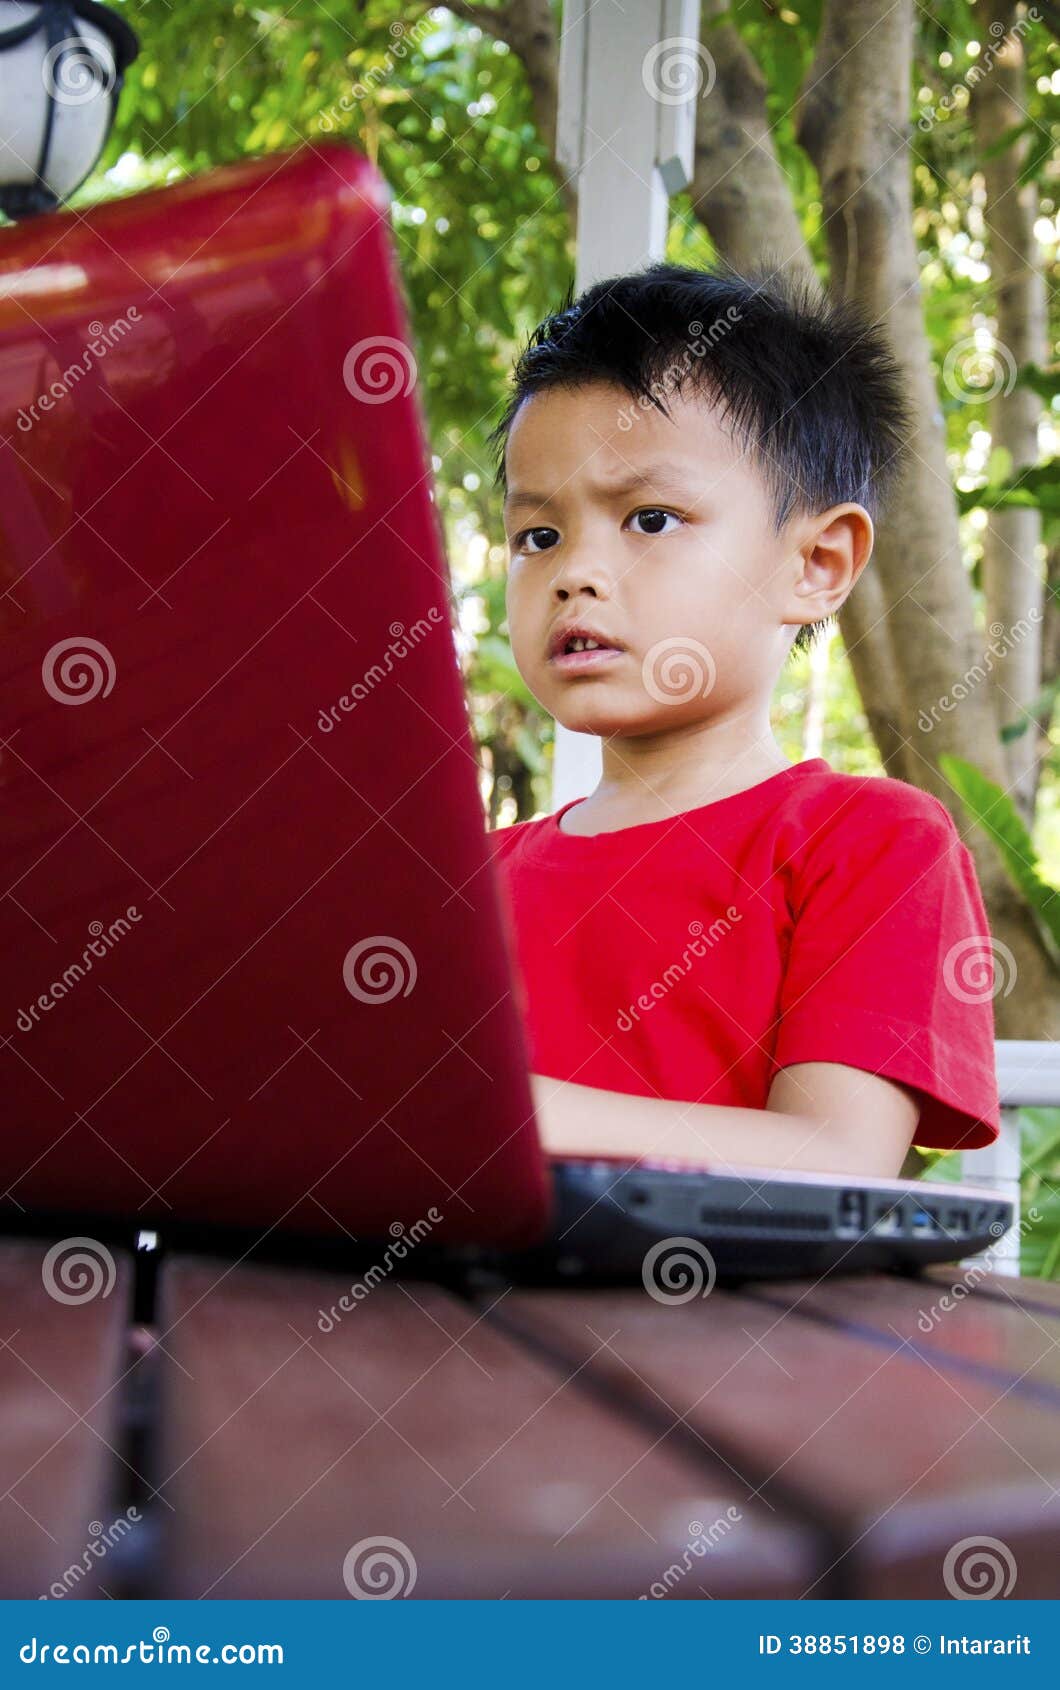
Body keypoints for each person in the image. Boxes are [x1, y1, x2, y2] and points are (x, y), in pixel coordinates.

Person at [484, 262, 1001, 1178]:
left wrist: (497, 1109)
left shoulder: (874, 846)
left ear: (817, 564)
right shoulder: (466, 882)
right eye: (539, 535)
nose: (574, 574)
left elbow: (836, 1158)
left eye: (650, 518)